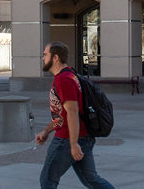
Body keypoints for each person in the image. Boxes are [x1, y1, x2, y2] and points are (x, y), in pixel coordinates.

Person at [35, 41, 115, 189]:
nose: (43, 58)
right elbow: (62, 114)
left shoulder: (64, 79)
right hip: (82, 137)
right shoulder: (69, 74)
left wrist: (73, 144)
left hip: (67, 140)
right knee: (92, 180)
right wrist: (46, 131)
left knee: (47, 181)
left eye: (45, 54)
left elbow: (72, 111)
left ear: (55, 57)